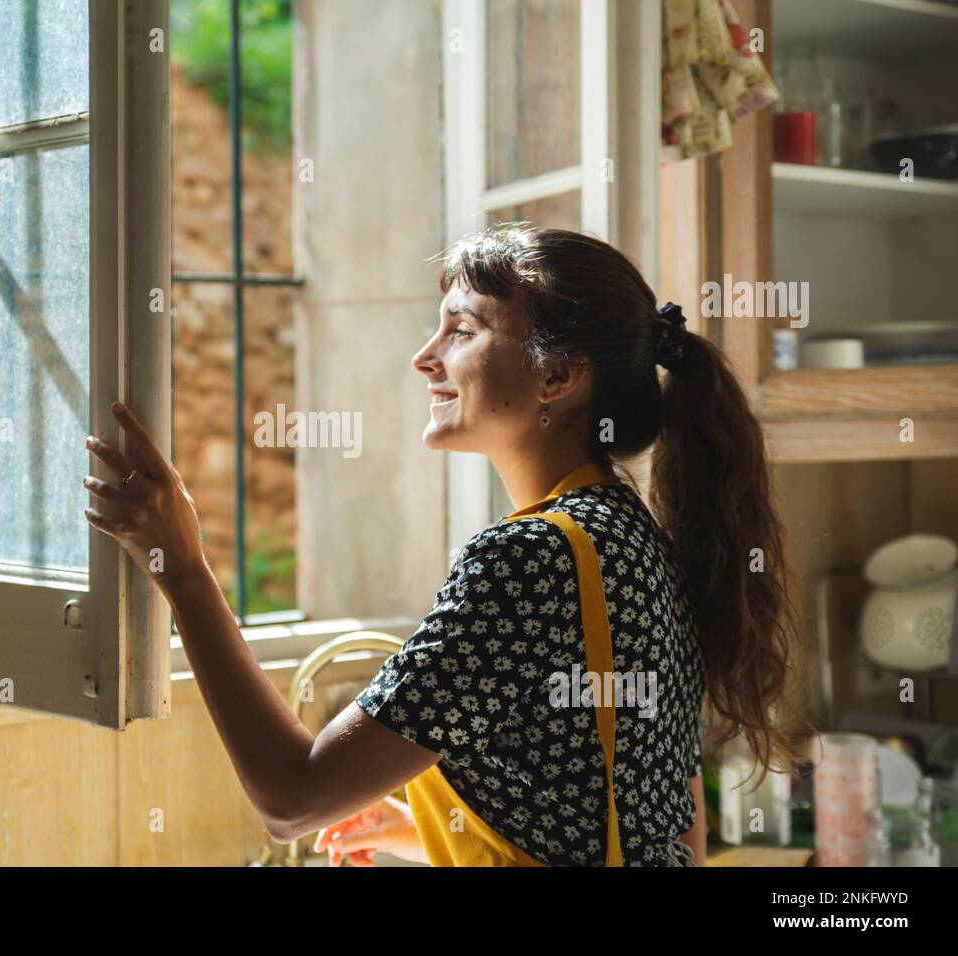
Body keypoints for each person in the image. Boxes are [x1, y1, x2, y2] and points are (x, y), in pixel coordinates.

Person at [83, 222, 809, 867]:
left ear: (558, 375)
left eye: (461, 330)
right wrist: (422, 831)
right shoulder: (629, 536)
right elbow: (667, 826)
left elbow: (291, 800)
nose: (424, 359)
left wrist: (180, 568)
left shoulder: (531, 559)